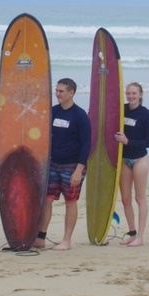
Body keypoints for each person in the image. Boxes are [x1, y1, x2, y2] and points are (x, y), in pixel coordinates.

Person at [38, 78, 90, 251]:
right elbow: (34, 123)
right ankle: (40, 237)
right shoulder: (52, 112)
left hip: (72, 166)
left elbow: (86, 144)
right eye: (57, 90)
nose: (57, 94)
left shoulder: (80, 115)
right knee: (47, 200)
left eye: (61, 91)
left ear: (71, 93)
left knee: (70, 201)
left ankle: (66, 240)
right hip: (53, 163)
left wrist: (79, 170)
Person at [112, 82, 149, 247]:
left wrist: (127, 141)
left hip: (139, 159)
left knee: (139, 197)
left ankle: (141, 237)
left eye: (134, 93)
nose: (130, 96)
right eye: (128, 93)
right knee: (126, 198)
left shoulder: (146, 114)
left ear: (141, 95)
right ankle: (132, 232)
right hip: (124, 159)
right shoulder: (122, 110)